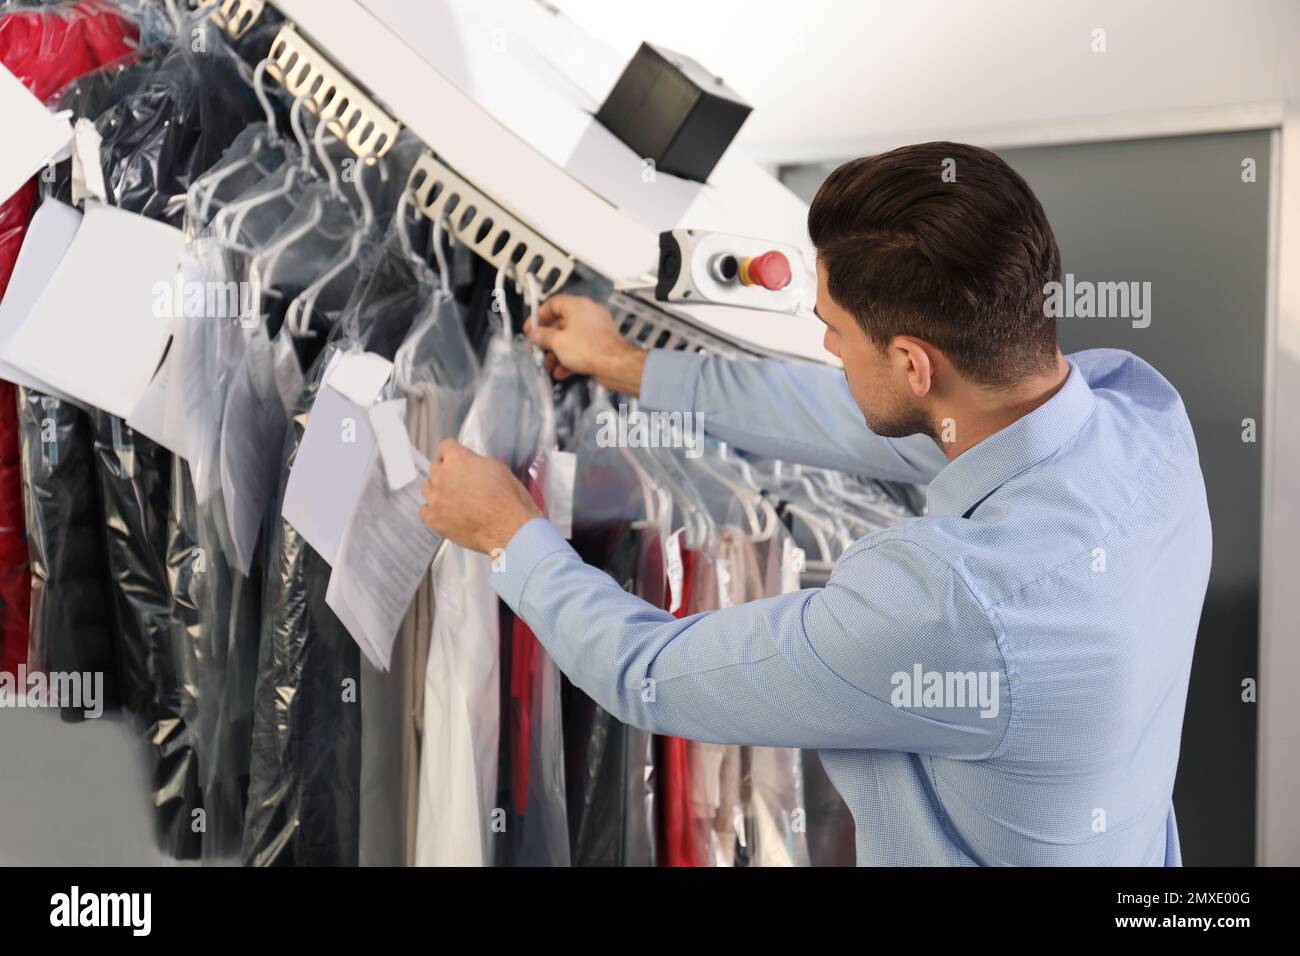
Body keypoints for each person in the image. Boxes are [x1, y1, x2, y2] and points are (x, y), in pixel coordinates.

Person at [419, 141, 1211, 866]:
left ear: (912, 362)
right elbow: (871, 423)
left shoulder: (946, 611)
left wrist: (505, 532)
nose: (827, 349)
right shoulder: (1140, 418)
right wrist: (628, 365)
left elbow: (649, 674)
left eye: (835, 331)